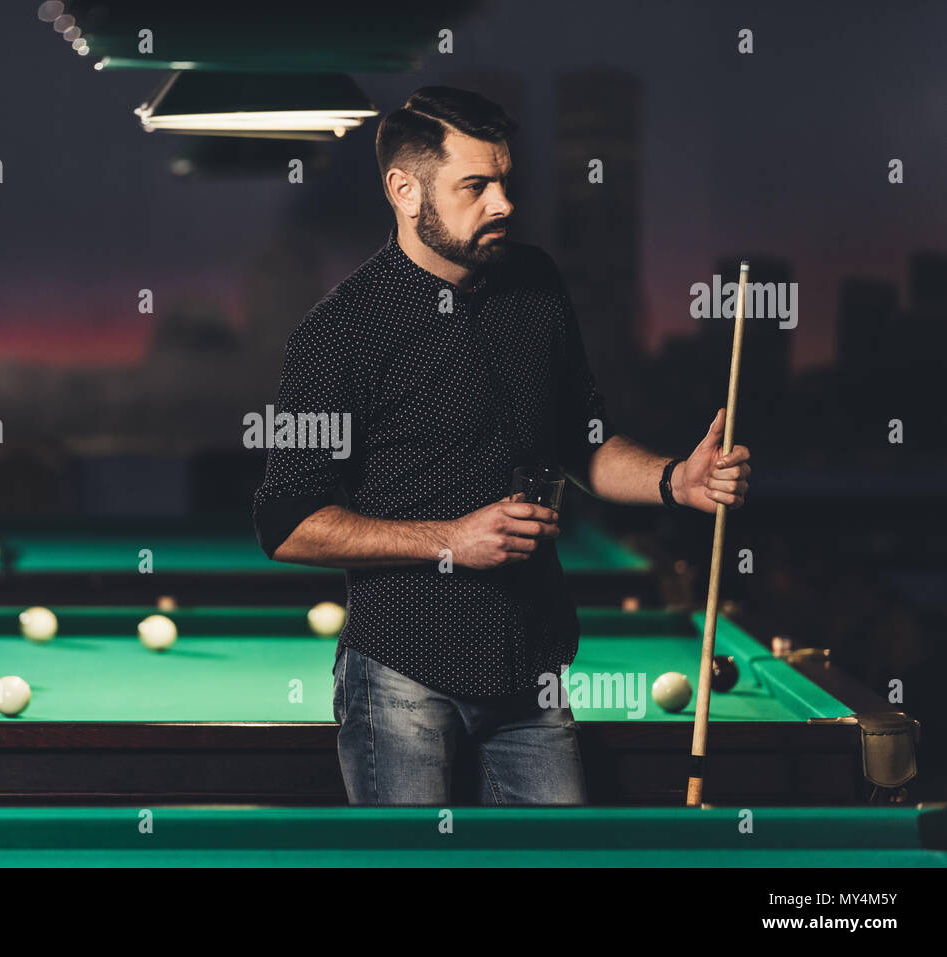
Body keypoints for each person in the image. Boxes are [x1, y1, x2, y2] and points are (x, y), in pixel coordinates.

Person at [252, 86, 750, 805]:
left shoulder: (536, 283)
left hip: (531, 673)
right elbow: (286, 522)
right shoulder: (339, 334)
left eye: (504, 182)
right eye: (475, 186)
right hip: (399, 675)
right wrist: (451, 537)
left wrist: (678, 480)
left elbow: (583, 442)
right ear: (404, 189)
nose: (502, 203)